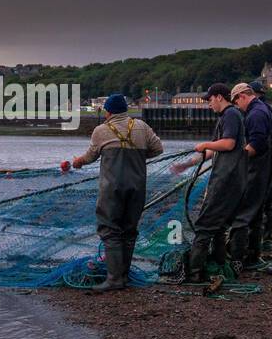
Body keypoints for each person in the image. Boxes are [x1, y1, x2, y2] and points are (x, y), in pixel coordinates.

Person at [71, 94, 164, 292]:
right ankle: (124, 276)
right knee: (129, 230)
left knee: (109, 228)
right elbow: (158, 149)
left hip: (112, 188)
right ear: (125, 110)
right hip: (137, 186)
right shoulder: (142, 127)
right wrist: (137, 156)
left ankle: (114, 279)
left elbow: (91, 156)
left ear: (109, 112)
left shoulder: (101, 130)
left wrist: (77, 161)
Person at [172, 83, 247, 283]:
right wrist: (186, 165)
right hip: (230, 179)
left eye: (210, 100)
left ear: (220, 97)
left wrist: (205, 143)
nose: (209, 104)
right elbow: (214, 150)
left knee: (205, 224)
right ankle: (218, 264)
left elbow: (228, 143)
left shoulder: (231, 115)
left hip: (226, 180)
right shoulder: (227, 117)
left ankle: (195, 272)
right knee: (219, 226)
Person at [224, 82, 272, 267]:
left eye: (237, 103)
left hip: (256, 170)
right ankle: (252, 255)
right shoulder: (264, 109)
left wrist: (237, 159)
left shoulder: (256, 114)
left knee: (243, 213)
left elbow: (257, 143)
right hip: (265, 171)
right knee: (255, 213)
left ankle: (238, 258)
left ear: (243, 96)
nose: (237, 107)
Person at [249, 78, 272, 252]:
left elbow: (258, 142)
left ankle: (260, 240)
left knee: (260, 202)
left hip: (267, 163)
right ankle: (267, 238)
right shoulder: (268, 110)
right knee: (270, 202)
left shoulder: (257, 112)